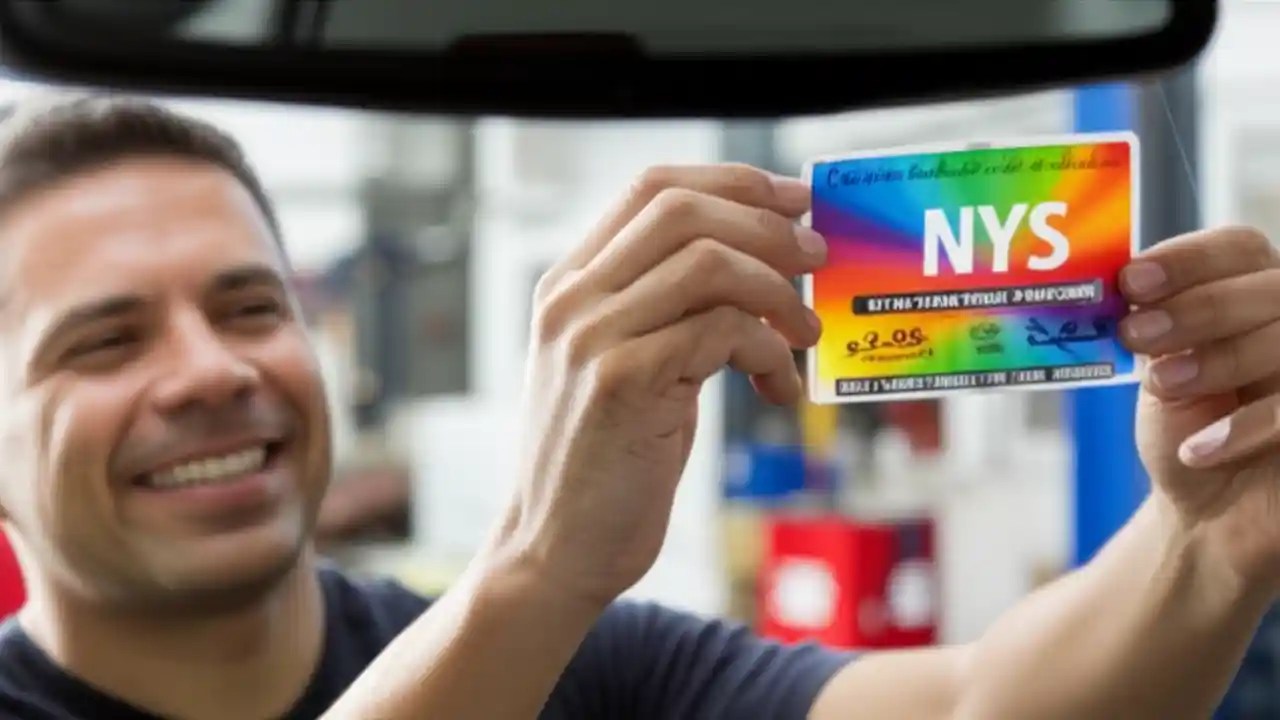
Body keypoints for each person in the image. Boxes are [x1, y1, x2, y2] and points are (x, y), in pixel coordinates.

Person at [0, 92, 1277, 720]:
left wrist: (1208, 539)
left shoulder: (572, 668)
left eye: (248, 307)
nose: (212, 370)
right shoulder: (525, 620)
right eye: (102, 341)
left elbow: (975, 710)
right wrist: (539, 562)